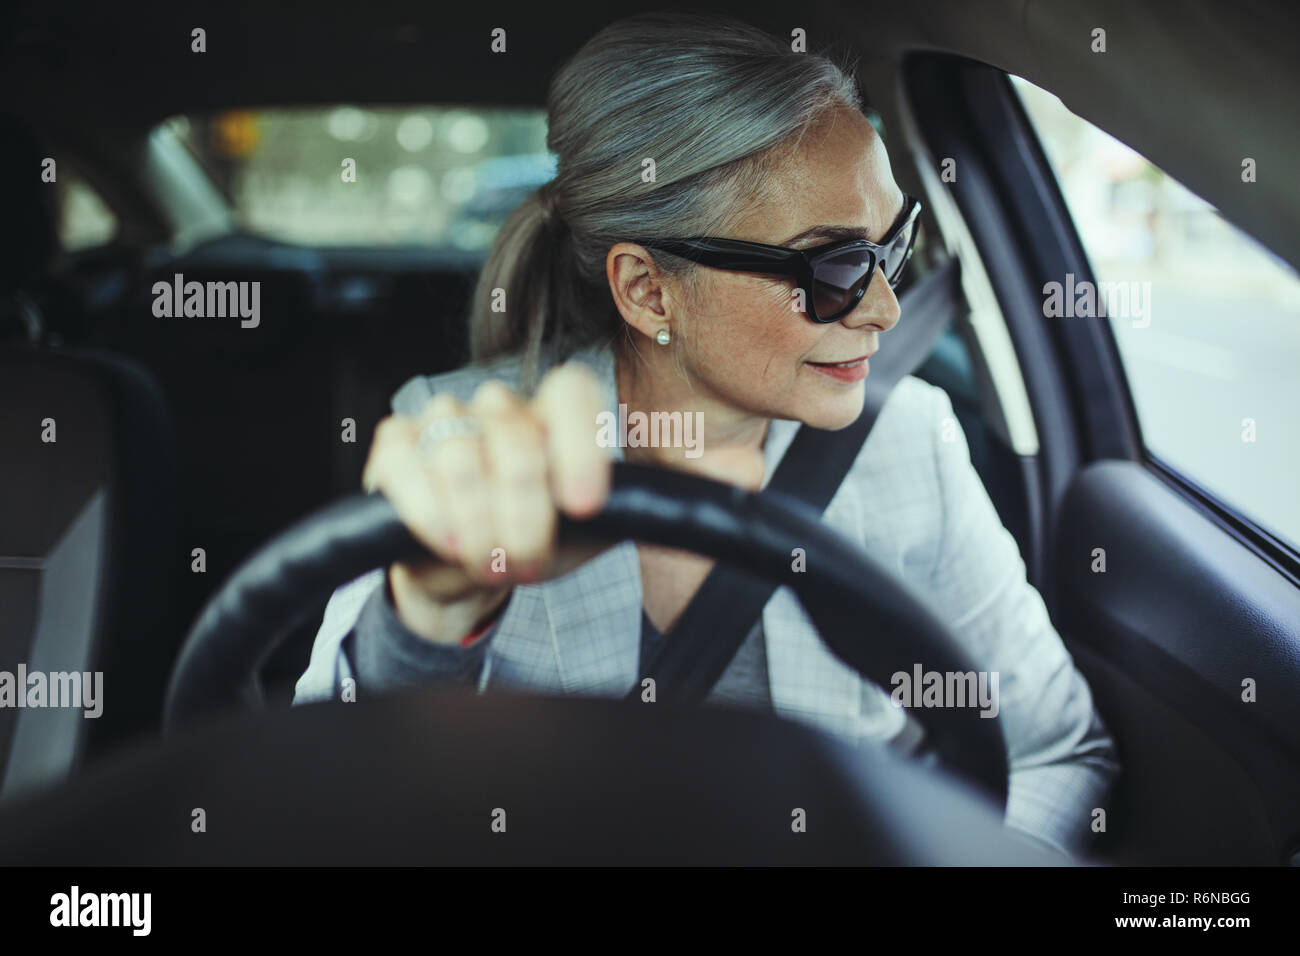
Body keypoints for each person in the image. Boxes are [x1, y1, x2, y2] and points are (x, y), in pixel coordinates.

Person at [295, 11, 1119, 857]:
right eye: (834, 268)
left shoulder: (911, 442)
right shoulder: (460, 443)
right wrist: (425, 619)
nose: (885, 308)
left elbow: (1054, 750)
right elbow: (332, 805)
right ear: (650, 293)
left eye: (892, 246)